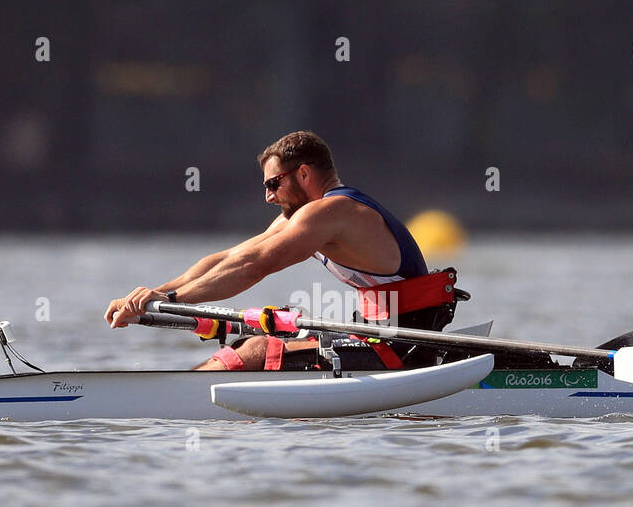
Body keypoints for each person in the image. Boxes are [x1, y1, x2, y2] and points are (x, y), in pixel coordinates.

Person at [104, 130, 465, 370]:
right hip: (381, 335)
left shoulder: (331, 212)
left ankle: (176, 400)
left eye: (274, 183)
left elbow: (254, 267)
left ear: (304, 174)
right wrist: (153, 297)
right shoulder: (305, 216)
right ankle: (189, 392)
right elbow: (228, 259)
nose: (268, 196)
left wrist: (172, 297)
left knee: (256, 350)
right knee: (252, 339)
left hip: (407, 347)